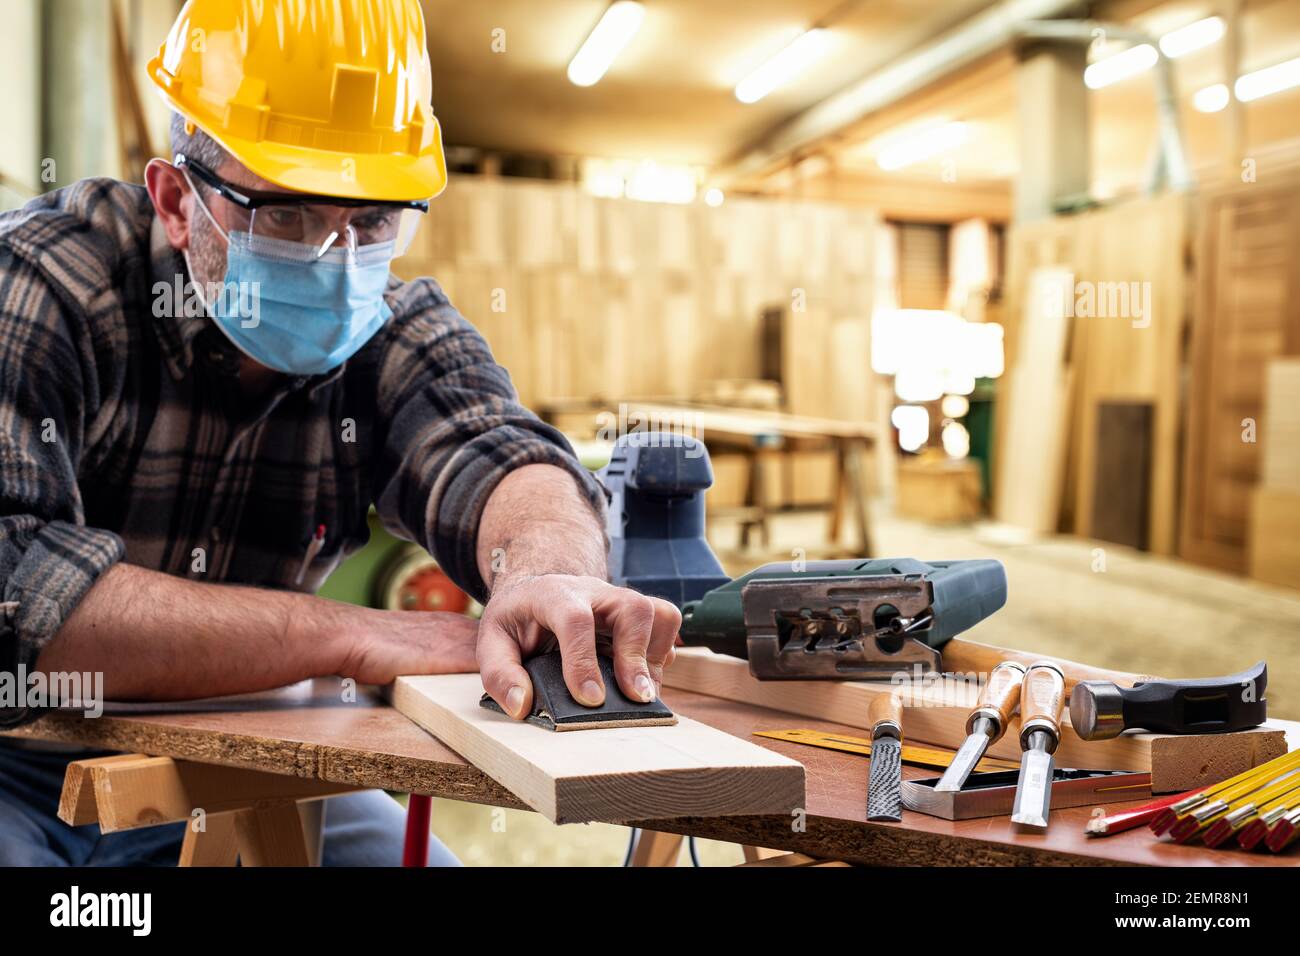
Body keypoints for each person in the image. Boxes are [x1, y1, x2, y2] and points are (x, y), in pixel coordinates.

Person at [0, 0, 679, 866]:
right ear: (176, 200)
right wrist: (351, 633)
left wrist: (544, 574)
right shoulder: (46, 281)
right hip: (18, 755)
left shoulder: (392, 328)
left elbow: (500, 450)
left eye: (373, 222)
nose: (337, 258)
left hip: (243, 750)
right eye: (286, 216)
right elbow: (15, 592)